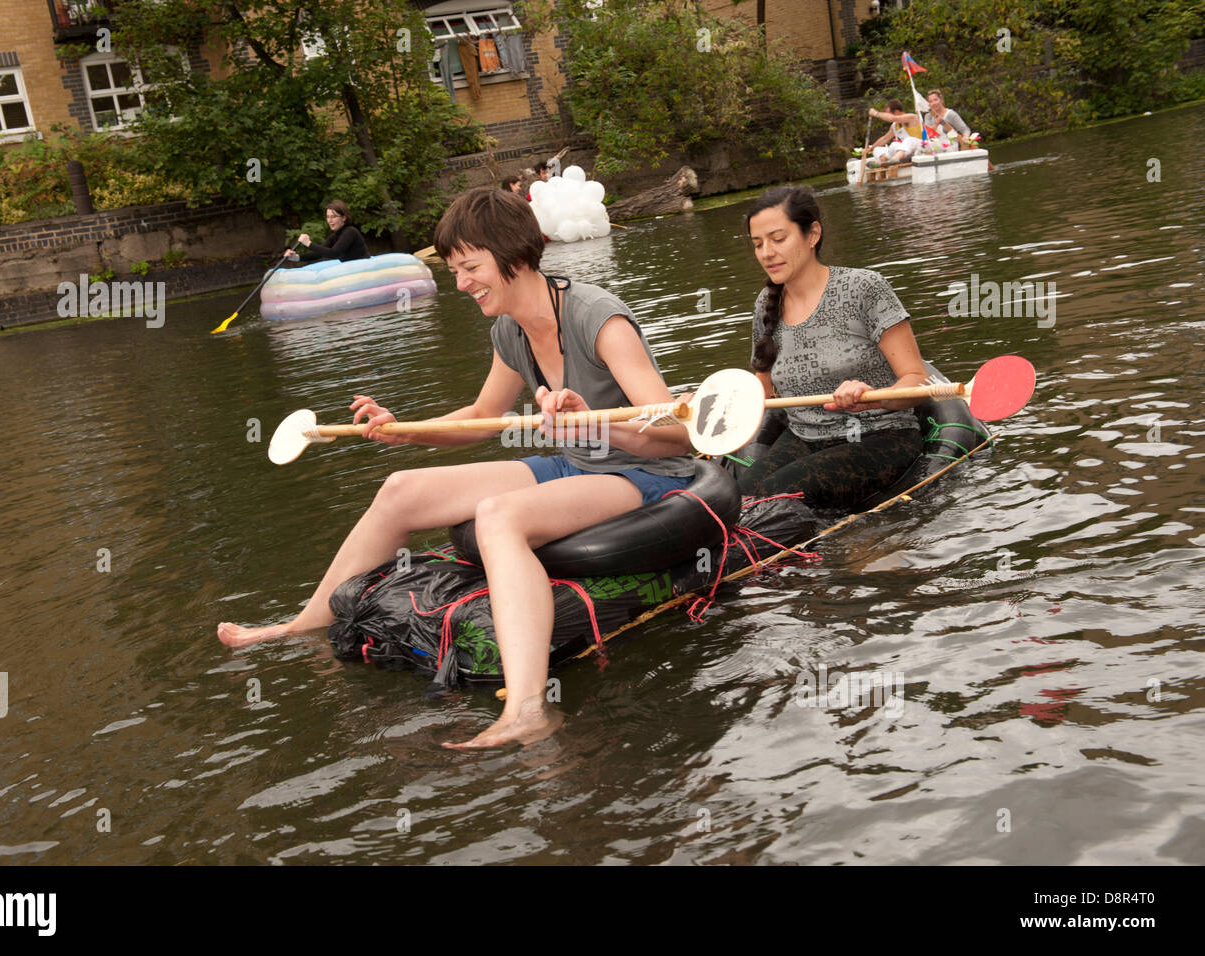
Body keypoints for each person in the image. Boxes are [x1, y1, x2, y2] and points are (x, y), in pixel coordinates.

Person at [219, 187, 696, 748]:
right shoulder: (508, 330)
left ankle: (527, 709)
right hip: (576, 465)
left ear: (513, 253)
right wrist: (400, 429)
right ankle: (306, 622)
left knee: (497, 516)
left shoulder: (600, 320)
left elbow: (677, 437)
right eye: (454, 270)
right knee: (401, 491)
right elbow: (480, 416)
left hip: (644, 477)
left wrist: (596, 424)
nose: (462, 283)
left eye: (471, 268)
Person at [738, 185, 926, 511]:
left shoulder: (863, 288)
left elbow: (916, 381)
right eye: (758, 244)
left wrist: (868, 399)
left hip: (878, 436)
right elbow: (763, 392)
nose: (766, 252)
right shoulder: (765, 304)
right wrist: (713, 413)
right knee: (735, 502)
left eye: (778, 239)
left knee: (775, 499)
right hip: (804, 437)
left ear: (812, 235)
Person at [286, 200, 368, 263]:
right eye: (328, 217)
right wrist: (296, 257)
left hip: (362, 267)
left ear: (344, 218)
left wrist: (308, 243)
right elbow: (319, 253)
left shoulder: (350, 231)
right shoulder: (334, 236)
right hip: (351, 267)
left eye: (333, 217)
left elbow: (334, 253)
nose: (329, 220)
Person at [865, 99, 923, 165]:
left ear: (897, 112)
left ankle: (891, 160)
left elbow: (892, 118)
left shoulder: (912, 117)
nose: (886, 117)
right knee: (880, 148)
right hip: (904, 153)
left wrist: (875, 113)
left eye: (888, 114)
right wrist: (870, 149)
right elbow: (885, 139)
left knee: (909, 140)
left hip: (919, 148)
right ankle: (885, 161)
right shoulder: (895, 125)